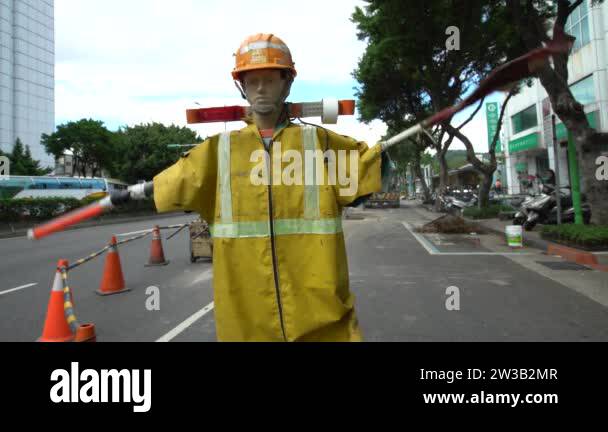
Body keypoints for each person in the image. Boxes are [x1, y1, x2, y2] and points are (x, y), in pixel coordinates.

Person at [150, 34, 385, 341]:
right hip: (246, 326)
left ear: (287, 84)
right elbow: (169, 187)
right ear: (242, 87)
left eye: (270, 80)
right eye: (253, 80)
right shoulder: (219, 152)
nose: (261, 88)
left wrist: (384, 156)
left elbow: (367, 170)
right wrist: (123, 194)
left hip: (323, 325)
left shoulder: (320, 145)